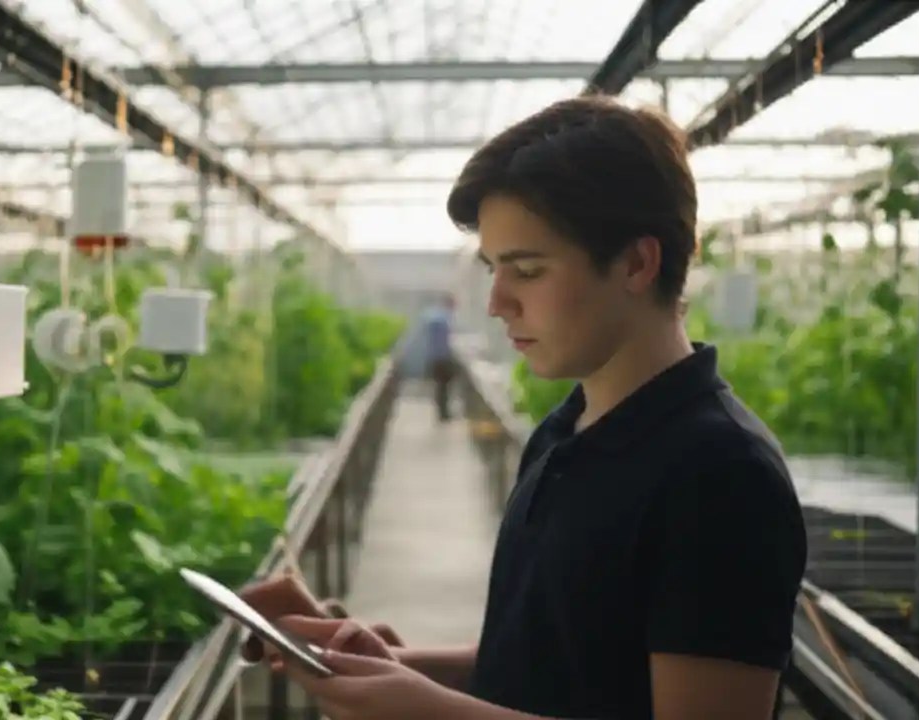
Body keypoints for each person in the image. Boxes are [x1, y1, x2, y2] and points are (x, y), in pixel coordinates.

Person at [238, 95, 808, 720]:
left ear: (637, 263)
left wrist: (428, 711)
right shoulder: (567, 430)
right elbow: (554, 659)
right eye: (493, 270)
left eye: (528, 271)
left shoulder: (720, 473)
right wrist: (395, 667)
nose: (497, 302)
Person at [421, 293, 458, 421]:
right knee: (443, 387)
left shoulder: (436, 317)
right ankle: (443, 413)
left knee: (440, 386)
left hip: (435, 357)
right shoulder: (442, 318)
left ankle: (442, 412)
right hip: (441, 358)